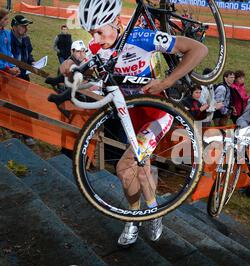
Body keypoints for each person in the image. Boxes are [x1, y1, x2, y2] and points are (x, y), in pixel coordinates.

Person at [64, 0, 208, 247]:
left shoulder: (142, 37)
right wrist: (69, 68)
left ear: (117, 23)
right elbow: (77, 66)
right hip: (128, 116)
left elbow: (198, 50)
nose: (95, 37)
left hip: (156, 115)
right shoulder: (97, 46)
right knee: (142, 170)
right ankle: (150, 212)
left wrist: (166, 82)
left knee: (124, 167)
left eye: (99, 31)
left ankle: (133, 218)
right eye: (91, 32)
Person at [10, 15, 35, 81]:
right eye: (23, 26)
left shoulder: (26, 38)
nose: (26, 29)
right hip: (12, 75)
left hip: (24, 74)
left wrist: (31, 61)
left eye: (26, 26)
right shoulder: (7, 40)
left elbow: (28, 53)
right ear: (14, 27)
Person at [0, 8, 20, 76]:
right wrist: (8, 69)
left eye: (8, 19)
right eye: (5, 19)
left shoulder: (7, 33)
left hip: (7, 71)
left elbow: (9, 52)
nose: (8, 21)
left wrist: (13, 66)